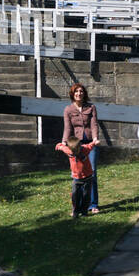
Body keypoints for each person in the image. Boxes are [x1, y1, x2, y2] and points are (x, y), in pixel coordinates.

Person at [62, 83, 101, 214]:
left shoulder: (91, 107)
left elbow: (94, 124)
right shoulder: (68, 110)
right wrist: (64, 142)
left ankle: (93, 204)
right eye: (76, 92)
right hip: (76, 145)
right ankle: (78, 207)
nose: (79, 93)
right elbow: (67, 128)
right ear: (72, 94)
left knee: (92, 172)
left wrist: (95, 139)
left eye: (81, 91)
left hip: (90, 143)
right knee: (78, 175)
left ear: (84, 93)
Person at [57, 135, 99, 217]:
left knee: (86, 195)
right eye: (74, 151)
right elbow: (61, 147)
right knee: (75, 195)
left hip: (87, 177)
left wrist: (95, 142)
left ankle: (84, 212)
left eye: (77, 150)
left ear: (80, 146)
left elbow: (90, 145)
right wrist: (59, 145)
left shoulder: (85, 149)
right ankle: (75, 212)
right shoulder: (68, 150)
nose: (76, 153)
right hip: (76, 178)